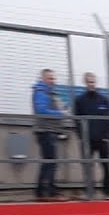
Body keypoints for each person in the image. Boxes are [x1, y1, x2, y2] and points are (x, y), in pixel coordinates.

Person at [73, 72, 109, 198]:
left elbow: (108, 119)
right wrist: (82, 136)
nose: (91, 84)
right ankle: (89, 192)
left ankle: (108, 192)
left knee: (106, 165)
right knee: (87, 167)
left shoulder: (104, 100)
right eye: (89, 82)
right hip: (87, 140)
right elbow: (76, 120)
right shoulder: (79, 101)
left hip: (102, 139)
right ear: (85, 83)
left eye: (93, 82)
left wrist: (107, 137)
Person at [31, 68, 67, 201]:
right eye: (50, 78)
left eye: (53, 78)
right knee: (50, 162)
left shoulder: (48, 93)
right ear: (43, 79)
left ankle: (43, 191)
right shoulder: (41, 92)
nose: (53, 81)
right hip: (46, 130)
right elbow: (41, 110)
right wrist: (59, 114)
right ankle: (48, 192)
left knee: (49, 161)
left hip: (49, 130)